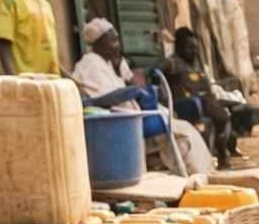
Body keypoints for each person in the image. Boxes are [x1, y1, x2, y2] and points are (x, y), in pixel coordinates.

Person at [73, 18, 214, 176]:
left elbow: (137, 80)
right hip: (116, 123)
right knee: (183, 134)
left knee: (184, 132)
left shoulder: (110, 62)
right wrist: (131, 92)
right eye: (112, 41)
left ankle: (196, 175)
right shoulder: (91, 65)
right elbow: (96, 101)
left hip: (133, 116)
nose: (118, 45)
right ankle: (196, 176)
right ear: (99, 43)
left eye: (117, 40)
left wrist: (122, 69)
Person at [160, 28, 238, 170]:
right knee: (217, 112)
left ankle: (223, 150)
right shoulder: (172, 64)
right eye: (189, 47)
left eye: (195, 48)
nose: (193, 51)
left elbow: (207, 88)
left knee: (228, 108)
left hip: (203, 103)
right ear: (179, 47)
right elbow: (157, 73)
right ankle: (222, 153)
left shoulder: (195, 66)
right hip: (184, 106)